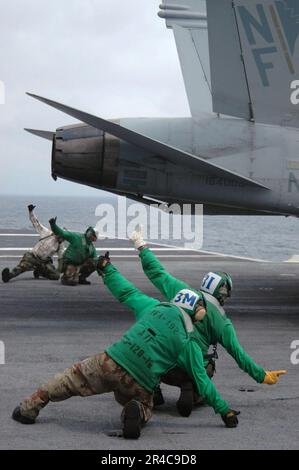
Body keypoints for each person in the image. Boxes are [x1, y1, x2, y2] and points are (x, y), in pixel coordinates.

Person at [12, 254, 241, 439]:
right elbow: (203, 381)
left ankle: (29, 407)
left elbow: (126, 291)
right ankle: (137, 410)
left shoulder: (152, 306)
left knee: (70, 378)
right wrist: (225, 411)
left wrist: (106, 269)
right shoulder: (189, 341)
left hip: (111, 360)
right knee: (145, 404)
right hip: (140, 381)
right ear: (196, 311)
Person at [130, 226, 287, 416]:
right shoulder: (223, 322)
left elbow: (157, 273)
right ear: (223, 293)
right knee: (206, 366)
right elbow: (239, 355)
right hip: (191, 367)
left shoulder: (182, 291)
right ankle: (193, 391)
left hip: (163, 363)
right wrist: (263, 376)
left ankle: (153, 390)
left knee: (153, 348)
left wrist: (141, 246)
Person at [1, 205, 64, 283]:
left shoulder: (60, 245)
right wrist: (31, 212)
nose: (63, 238)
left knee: (55, 276)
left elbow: (61, 258)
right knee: (21, 267)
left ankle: (40, 272)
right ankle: (8, 276)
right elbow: (36, 223)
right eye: (62, 235)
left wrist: (59, 271)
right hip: (33, 257)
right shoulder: (46, 233)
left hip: (44, 262)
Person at [48, 217, 98, 286]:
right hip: (68, 262)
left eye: (92, 233)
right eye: (89, 231)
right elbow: (62, 233)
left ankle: (81, 278)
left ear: (95, 238)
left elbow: (96, 260)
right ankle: (65, 277)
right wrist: (53, 225)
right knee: (72, 282)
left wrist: (104, 266)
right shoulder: (76, 237)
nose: (89, 233)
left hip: (78, 265)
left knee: (94, 263)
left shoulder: (91, 248)